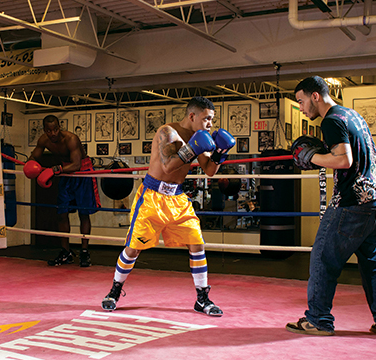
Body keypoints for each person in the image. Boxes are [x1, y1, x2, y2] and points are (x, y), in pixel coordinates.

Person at [100, 96, 236, 317]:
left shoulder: (200, 138)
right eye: (207, 118)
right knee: (133, 248)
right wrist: (193, 147)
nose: (210, 124)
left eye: (212, 119)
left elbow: (210, 171)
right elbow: (168, 166)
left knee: (197, 244)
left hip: (178, 199)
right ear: (192, 116)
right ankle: (114, 291)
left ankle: (202, 299)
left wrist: (220, 153)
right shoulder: (167, 132)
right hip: (151, 197)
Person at [287, 76, 376, 338]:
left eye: (302, 101)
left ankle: (318, 320)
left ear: (315, 96)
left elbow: (344, 160)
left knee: (322, 259)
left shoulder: (331, 120)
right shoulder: (352, 115)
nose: (301, 108)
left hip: (353, 204)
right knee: (373, 263)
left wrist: (310, 157)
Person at [24, 115, 100, 267]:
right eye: (49, 131)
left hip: (81, 172)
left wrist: (55, 170)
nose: (52, 133)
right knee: (61, 213)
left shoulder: (71, 139)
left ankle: (84, 252)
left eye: (55, 130)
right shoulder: (43, 140)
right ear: (44, 130)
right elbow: (34, 156)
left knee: (83, 213)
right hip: (65, 173)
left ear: (60, 128)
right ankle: (65, 252)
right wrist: (29, 165)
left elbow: (76, 164)